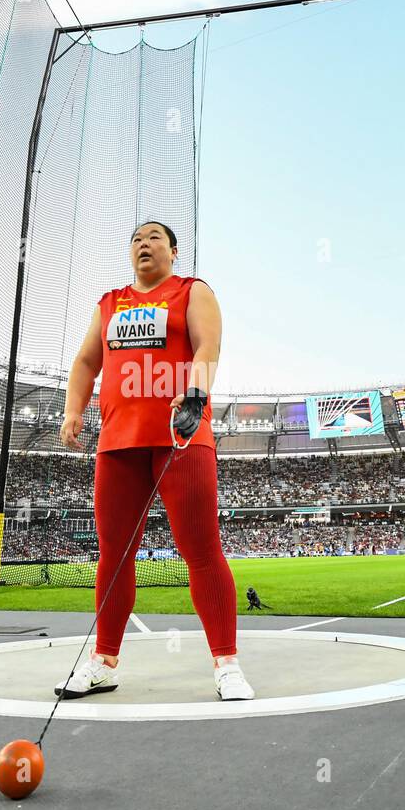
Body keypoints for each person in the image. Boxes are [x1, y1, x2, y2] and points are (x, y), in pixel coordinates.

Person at [57, 220, 253, 701]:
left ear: (174, 250)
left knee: (201, 550)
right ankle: (102, 661)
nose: (144, 244)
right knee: (115, 556)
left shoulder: (191, 291)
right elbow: (86, 362)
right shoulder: (110, 303)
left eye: (154, 238)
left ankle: (226, 664)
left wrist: (196, 394)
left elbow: (209, 346)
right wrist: (72, 411)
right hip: (118, 444)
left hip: (180, 437)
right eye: (136, 240)